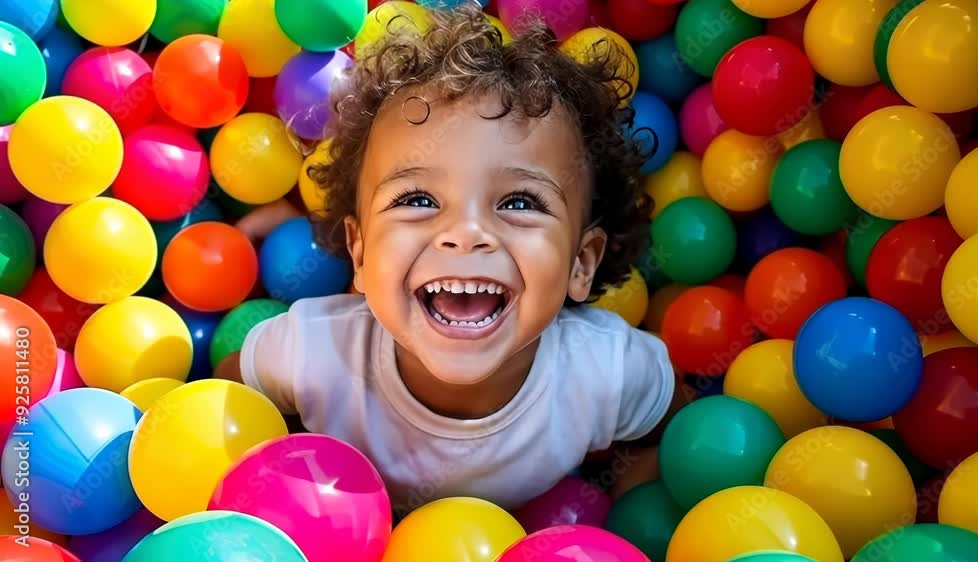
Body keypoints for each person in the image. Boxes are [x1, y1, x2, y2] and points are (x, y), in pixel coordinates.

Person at [216, 2, 681, 517]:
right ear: (360, 254)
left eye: (519, 203)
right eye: (417, 199)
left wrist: (626, 513)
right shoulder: (313, 353)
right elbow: (223, 409)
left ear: (581, 263)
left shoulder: (608, 371)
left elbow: (681, 435)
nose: (465, 234)